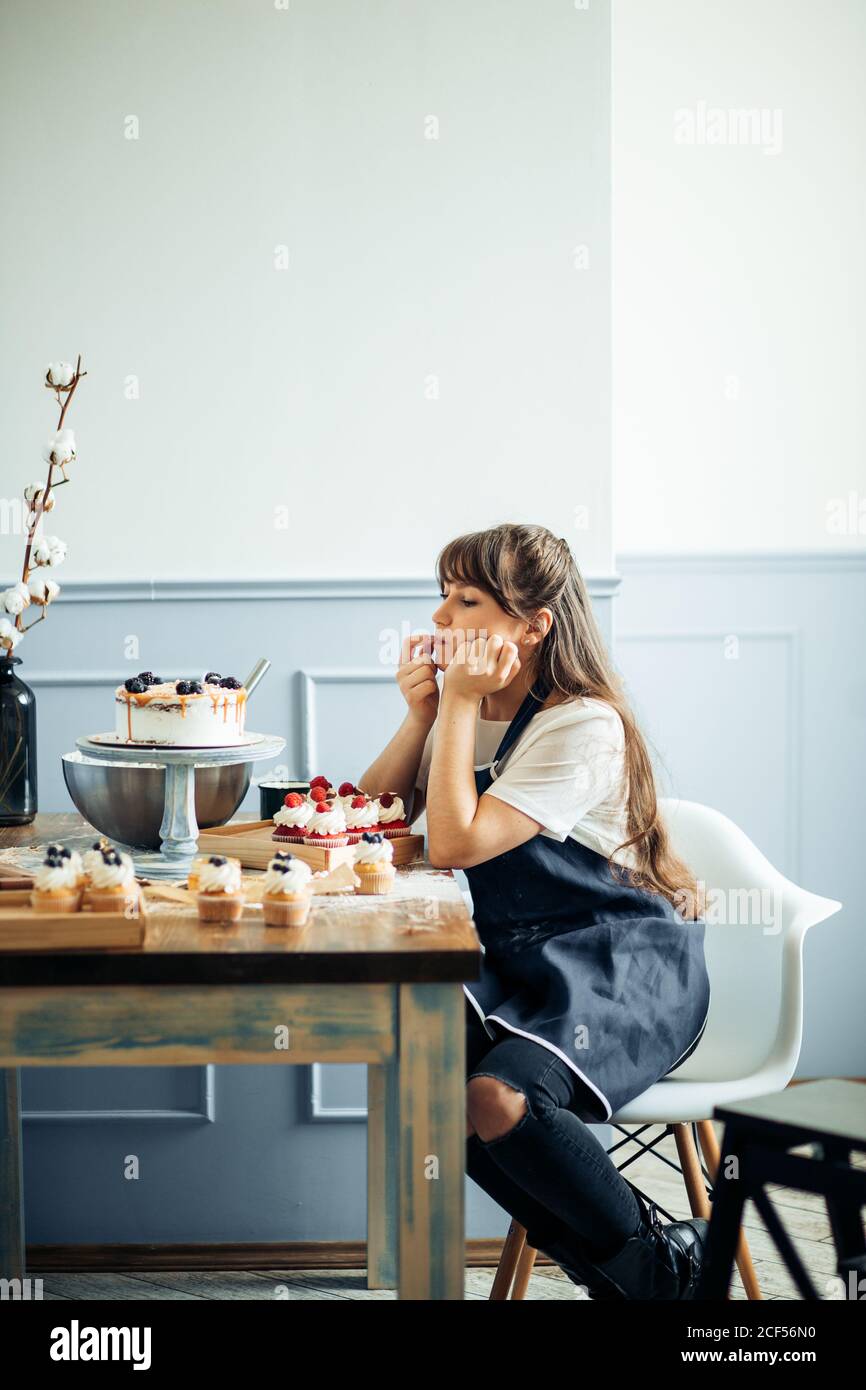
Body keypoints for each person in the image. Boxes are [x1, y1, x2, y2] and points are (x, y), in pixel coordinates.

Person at [359, 522, 712, 1299]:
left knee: (493, 1097)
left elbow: (451, 842)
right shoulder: (472, 709)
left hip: (622, 970)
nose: (441, 618)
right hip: (523, 965)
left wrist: (453, 705)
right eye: (442, 596)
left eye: (466, 600)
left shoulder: (583, 724)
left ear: (533, 625)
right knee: (435, 1088)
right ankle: (651, 1273)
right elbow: (370, 823)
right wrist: (424, 718)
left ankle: (654, 1268)